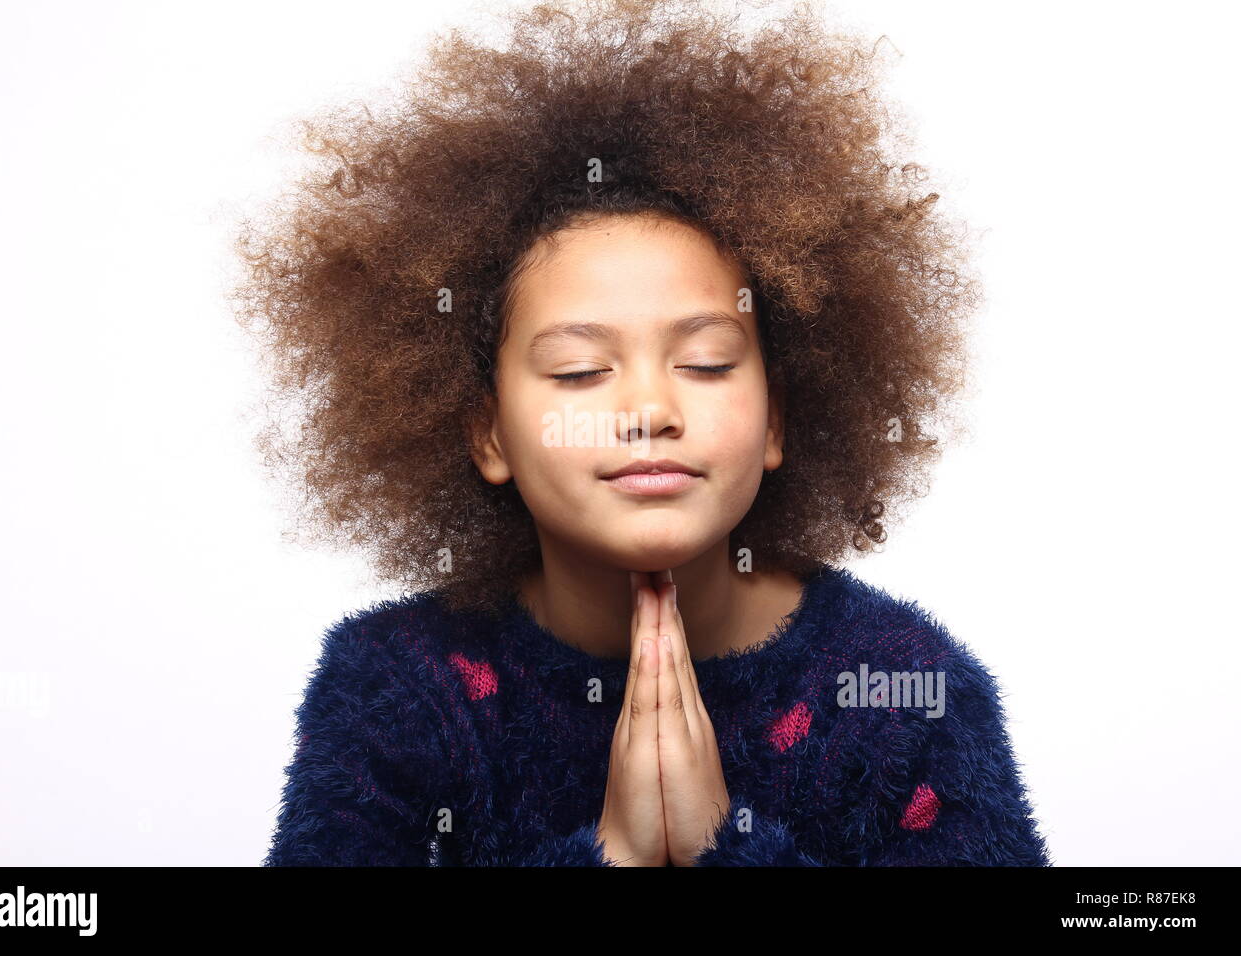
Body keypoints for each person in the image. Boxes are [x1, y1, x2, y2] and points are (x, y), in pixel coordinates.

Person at [232, 0, 1051, 866]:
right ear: (488, 435)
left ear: (775, 417)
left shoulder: (907, 692)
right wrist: (615, 855)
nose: (650, 409)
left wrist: (719, 851)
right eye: (583, 373)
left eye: (704, 362)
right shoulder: (396, 689)